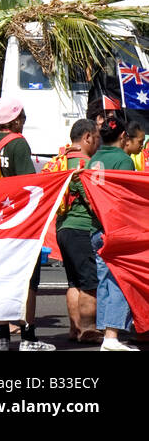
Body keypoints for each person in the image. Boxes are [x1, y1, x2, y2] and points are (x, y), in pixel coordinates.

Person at [0, 96, 53, 351]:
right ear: (15, 120)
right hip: (18, 222)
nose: (24, 122)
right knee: (29, 280)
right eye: (23, 118)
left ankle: (3, 336)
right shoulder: (18, 144)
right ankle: (28, 337)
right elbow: (30, 184)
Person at [88, 112, 144, 352]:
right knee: (121, 281)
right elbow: (127, 198)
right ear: (123, 136)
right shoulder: (124, 160)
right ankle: (112, 336)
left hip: (95, 227)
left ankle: (106, 334)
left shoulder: (93, 160)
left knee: (105, 281)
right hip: (116, 229)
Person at [54, 117, 100, 343]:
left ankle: (75, 329)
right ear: (87, 137)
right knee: (90, 282)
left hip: (62, 227)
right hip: (81, 228)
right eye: (97, 138)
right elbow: (91, 199)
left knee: (73, 282)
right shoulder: (82, 164)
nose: (98, 144)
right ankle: (88, 329)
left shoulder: (62, 158)